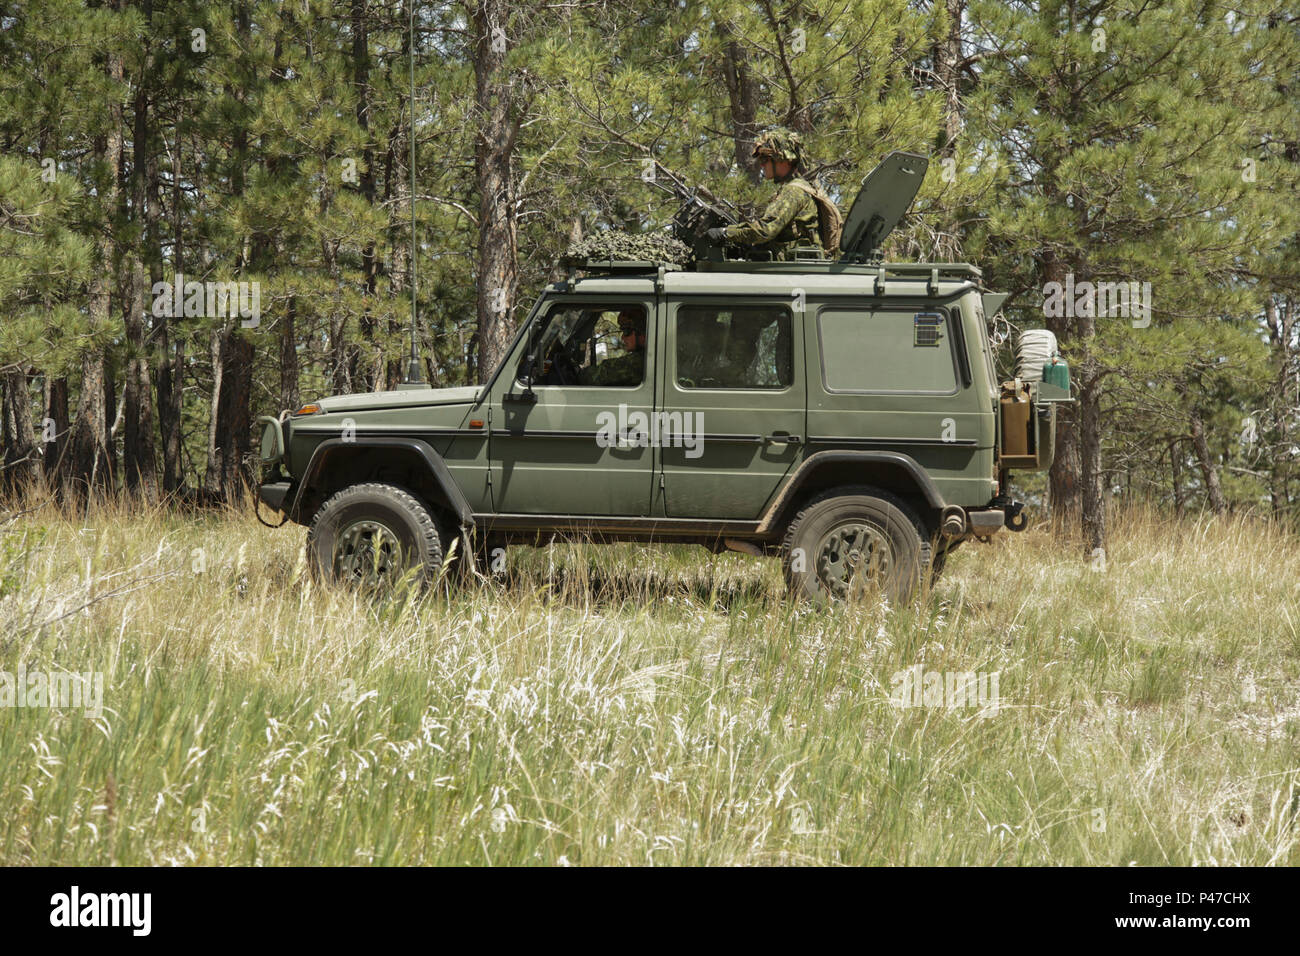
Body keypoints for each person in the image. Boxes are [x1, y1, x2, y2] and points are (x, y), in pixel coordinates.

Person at [706, 128, 823, 261]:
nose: (761, 165)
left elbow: (766, 230)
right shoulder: (797, 188)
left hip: (791, 270)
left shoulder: (793, 191)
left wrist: (725, 232)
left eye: (765, 159)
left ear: (782, 159)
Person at [580, 309, 646, 386]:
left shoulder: (640, 362)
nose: (622, 338)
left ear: (642, 332)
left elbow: (595, 376)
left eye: (626, 332)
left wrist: (579, 373)